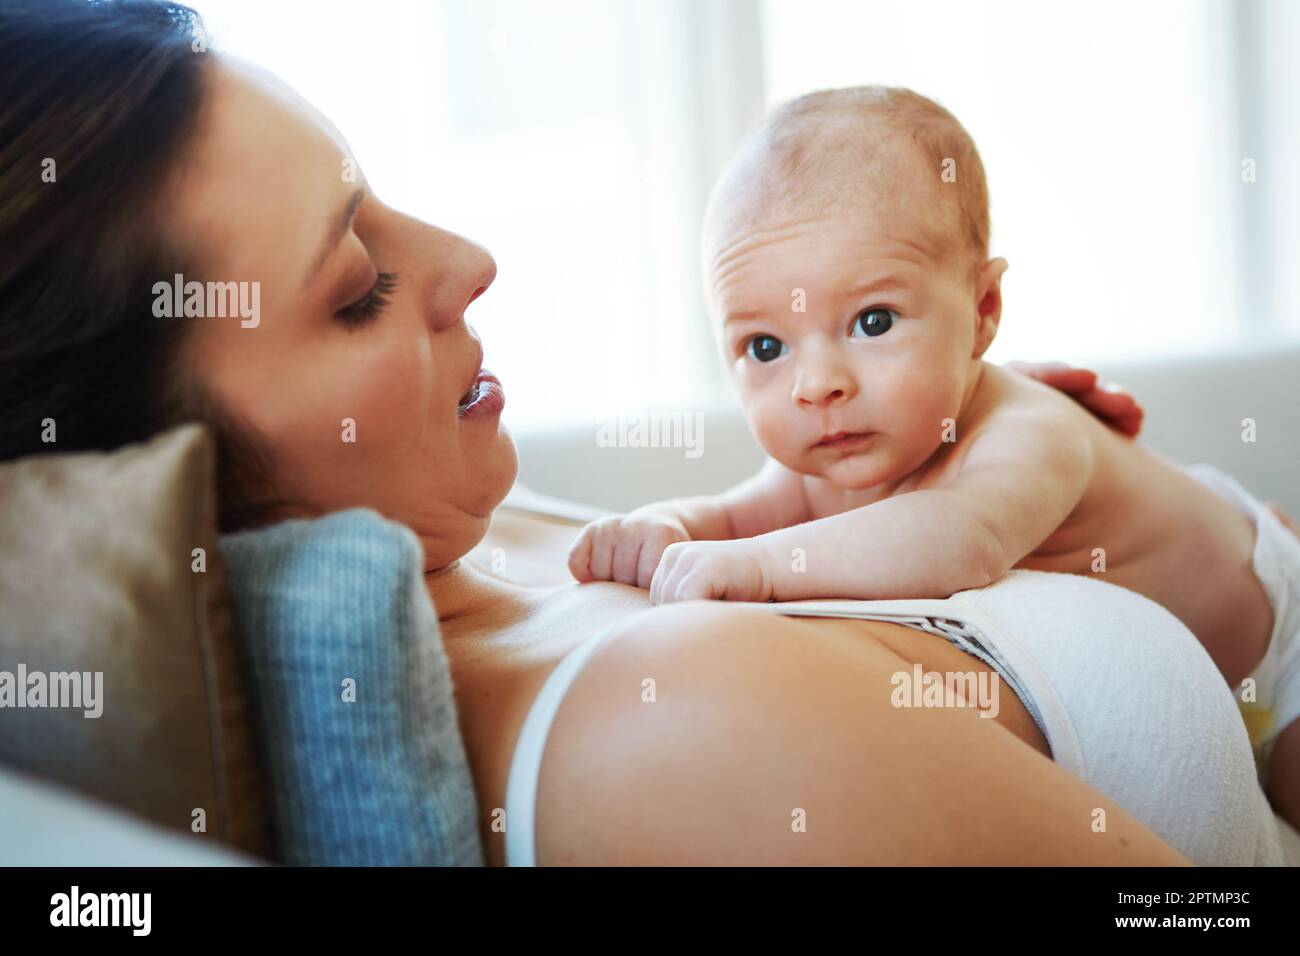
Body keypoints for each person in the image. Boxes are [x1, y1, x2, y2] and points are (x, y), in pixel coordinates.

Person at [0, 0, 1281, 865]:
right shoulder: (664, 738)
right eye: (358, 290)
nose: (469, 260)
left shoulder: (488, 538)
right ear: (174, 474)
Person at [569, 87, 1300, 832]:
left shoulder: (1030, 431)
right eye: (765, 347)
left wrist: (754, 565)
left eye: (872, 321)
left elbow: (960, 539)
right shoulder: (830, 450)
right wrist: (663, 528)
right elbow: (730, 517)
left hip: (1276, 636)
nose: (817, 384)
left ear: (983, 312)